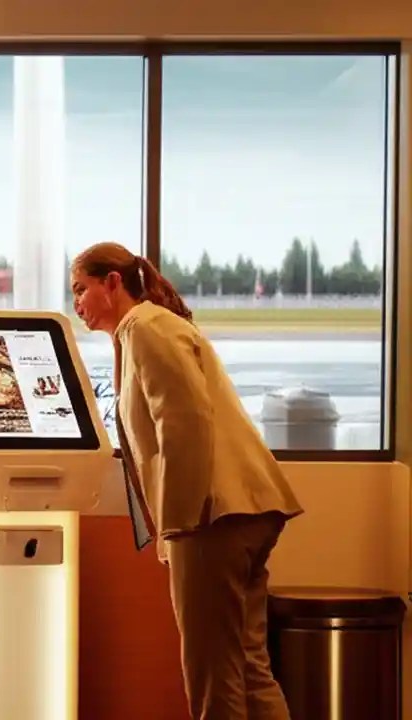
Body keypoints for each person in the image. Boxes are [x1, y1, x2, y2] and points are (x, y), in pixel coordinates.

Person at [70, 241, 304, 720]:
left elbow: (185, 422)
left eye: (81, 289)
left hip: (211, 515)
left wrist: (179, 523)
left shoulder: (145, 327)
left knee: (212, 673)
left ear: (113, 283)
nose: (76, 303)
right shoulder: (151, 328)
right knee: (247, 664)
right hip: (245, 506)